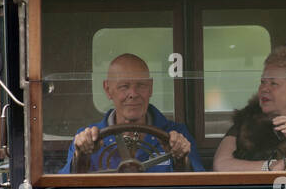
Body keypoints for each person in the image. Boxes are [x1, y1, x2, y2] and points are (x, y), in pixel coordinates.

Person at [59, 53, 204, 173]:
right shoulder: (88, 138)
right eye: (124, 86)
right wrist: (81, 155)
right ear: (108, 89)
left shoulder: (177, 134)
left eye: (141, 85)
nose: (133, 94)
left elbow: (198, 187)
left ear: (151, 88)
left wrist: (181, 157)